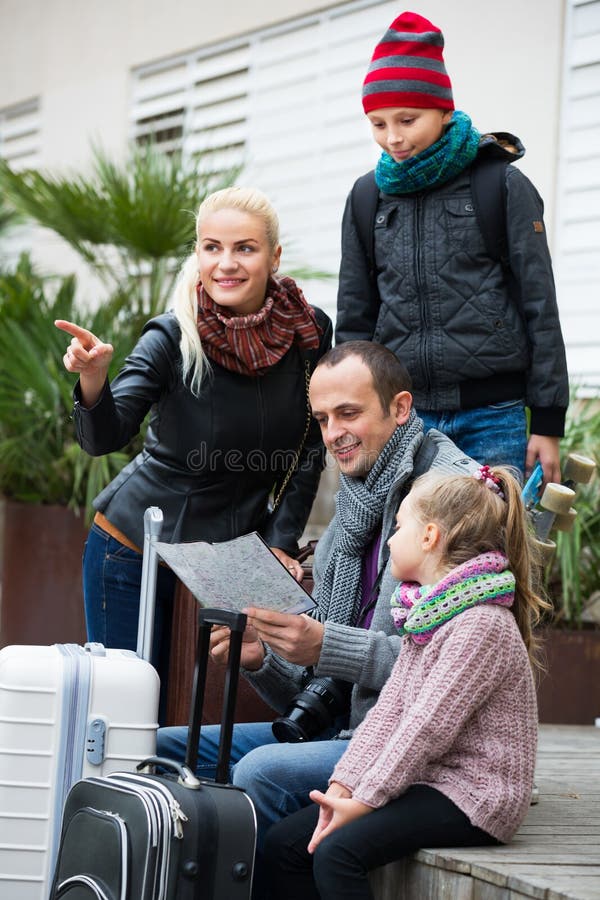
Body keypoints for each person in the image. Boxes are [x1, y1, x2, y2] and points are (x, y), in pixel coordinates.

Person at [157, 340, 480, 889]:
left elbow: (448, 666)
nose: (334, 435)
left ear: (400, 409)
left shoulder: (452, 501)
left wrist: (325, 644)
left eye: (349, 413)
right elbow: (313, 698)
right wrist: (267, 658)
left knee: (259, 770)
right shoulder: (350, 512)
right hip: (343, 730)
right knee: (162, 745)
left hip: (414, 747)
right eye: (323, 419)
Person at [55, 186, 332, 705]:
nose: (225, 263)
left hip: (234, 554)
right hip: (135, 546)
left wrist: (281, 540)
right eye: (211, 247)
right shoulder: (171, 335)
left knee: (226, 706)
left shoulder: (309, 331)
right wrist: (94, 381)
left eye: (244, 249)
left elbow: (309, 446)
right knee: (129, 706)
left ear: (274, 256)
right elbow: (104, 438)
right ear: (198, 254)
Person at [263, 464, 549, 900]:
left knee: (337, 853)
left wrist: (364, 802)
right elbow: (388, 715)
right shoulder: (431, 615)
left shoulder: (481, 625)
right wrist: (344, 785)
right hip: (431, 782)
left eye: (398, 528)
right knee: (286, 844)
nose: (390, 541)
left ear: (430, 537)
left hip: (473, 795)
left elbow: (425, 729)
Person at [335, 10, 569, 484]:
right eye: (378, 124)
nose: (393, 137)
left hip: (493, 415)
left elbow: (539, 304)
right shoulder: (366, 198)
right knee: (408, 554)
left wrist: (547, 421)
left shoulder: (499, 184)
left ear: (443, 111)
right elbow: (355, 317)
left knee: (486, 554)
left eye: (407, 119)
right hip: (405, 419)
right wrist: (351, 414)